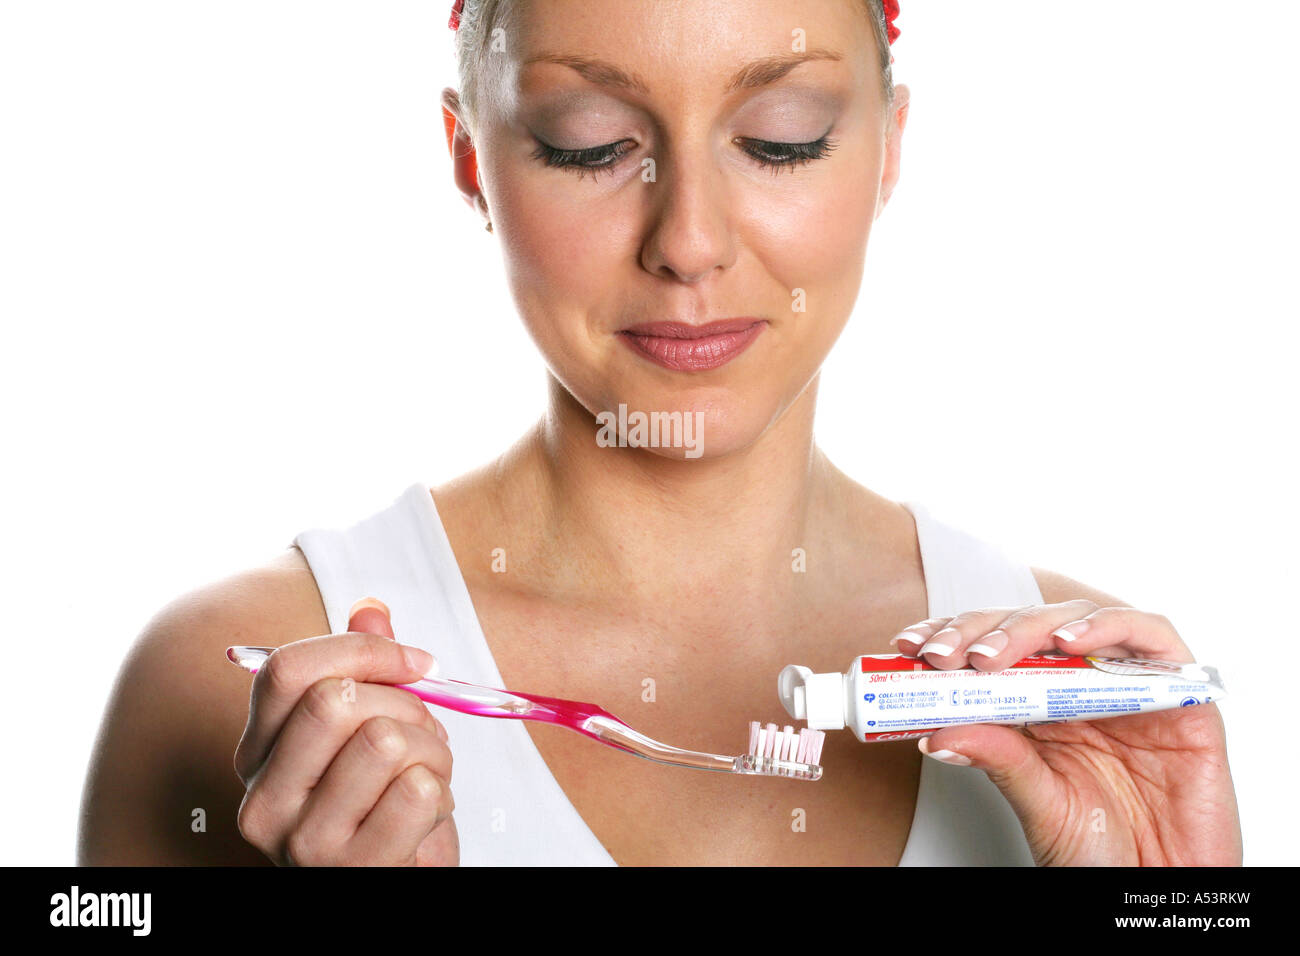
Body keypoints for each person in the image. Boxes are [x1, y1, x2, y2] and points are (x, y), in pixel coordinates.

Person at [78, 0, 1241, 866]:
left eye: (779, 137)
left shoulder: (1080, 702)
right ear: (470, 159)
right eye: (589, 143)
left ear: (888, 148)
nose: (688, 240)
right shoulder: (232, 686)